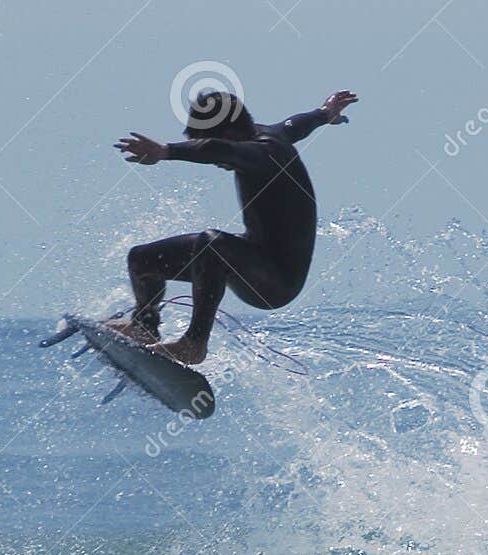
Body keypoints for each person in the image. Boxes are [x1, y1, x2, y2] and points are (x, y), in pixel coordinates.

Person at [108, 88, 359, 365]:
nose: (217, 164)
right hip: (250, 257)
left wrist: (166, 151)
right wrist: (324, 113)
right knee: (142, 259)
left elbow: (218, 150)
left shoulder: (263, 152)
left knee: (212, 243)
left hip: (276, 283)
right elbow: (297, 124)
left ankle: (194, 344)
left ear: (228, 135)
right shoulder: (271, 135)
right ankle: (144, 326)